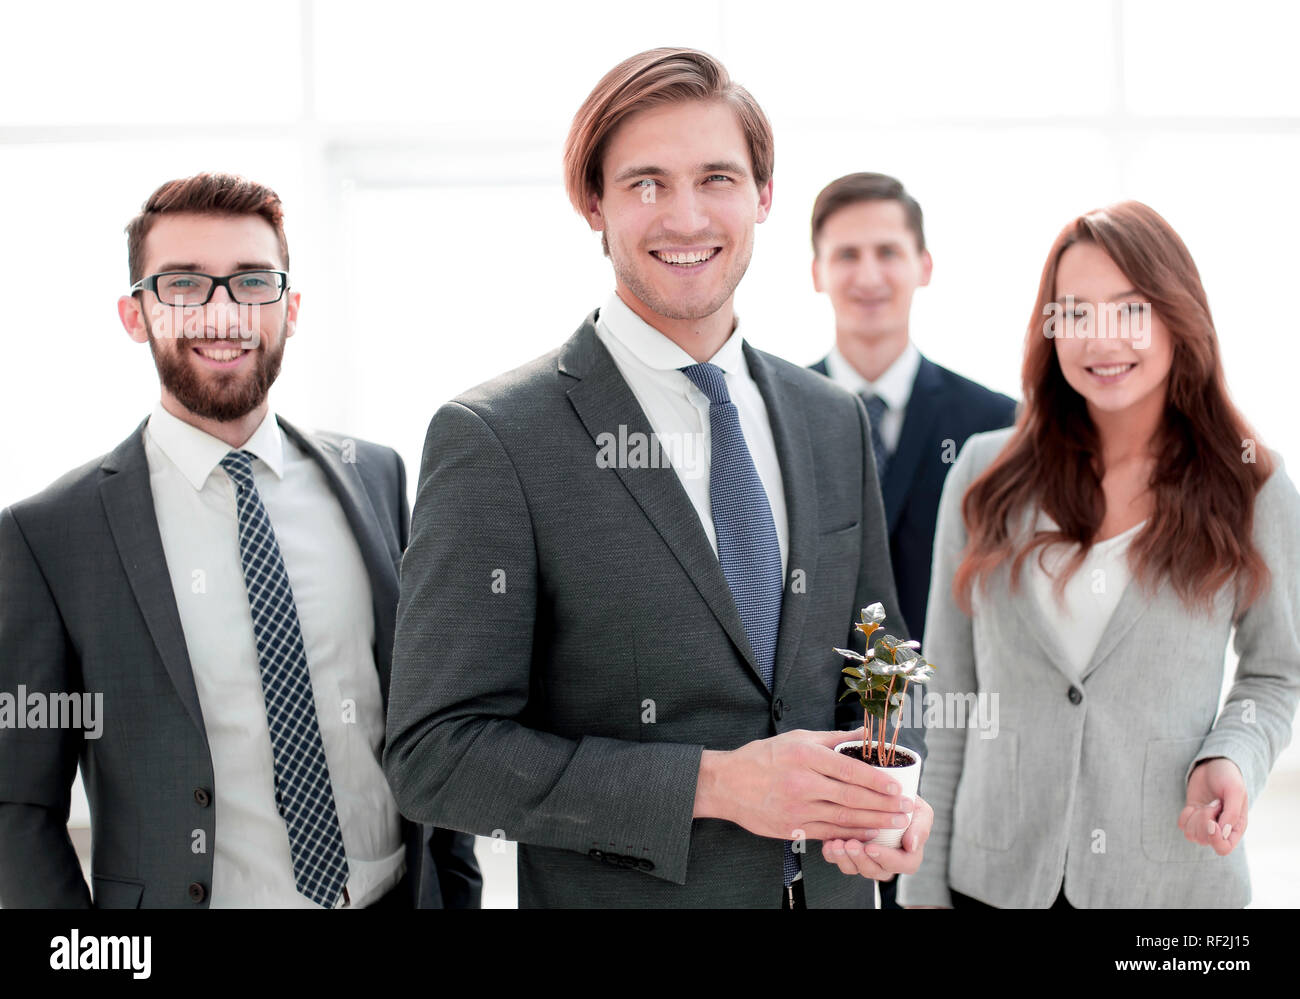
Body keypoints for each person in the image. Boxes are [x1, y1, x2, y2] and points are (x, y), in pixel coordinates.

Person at [384, 48, 932, 908]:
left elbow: (881, 661)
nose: (684, 217)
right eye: (645, 183)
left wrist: (891, 798)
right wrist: (714, 785)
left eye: (716, 177)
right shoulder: (496, 439)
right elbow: (436, 756)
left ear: (764, 195)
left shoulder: (830, 418)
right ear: (592, 203)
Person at [0, 172, 480, 909]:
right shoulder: (51, 535)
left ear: (289, 308)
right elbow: (18, 806)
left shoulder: (376, 477)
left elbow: (433, 714)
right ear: (137, 315)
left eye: (252, 282)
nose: (223, 315)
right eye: (185, 285)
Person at [897, 201, 1300, 908]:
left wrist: (1230, 753)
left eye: (1131, 309)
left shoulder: (1251, 482)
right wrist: (922, 890)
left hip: (1167, 885)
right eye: (1075, 312)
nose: (1101, 337)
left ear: (1179, 316)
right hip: (991, 877)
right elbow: (946, 693)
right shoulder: (984, 474)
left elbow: (1276, 673)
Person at [809, 173, 1017, 643]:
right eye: (846, 255)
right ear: (817, 272)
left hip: (947, 697)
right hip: (811, 708)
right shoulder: (772, 416)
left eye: (887, 252)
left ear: (924, 266)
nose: (867, 276)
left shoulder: (994, 424)